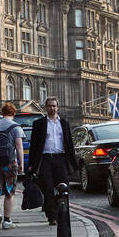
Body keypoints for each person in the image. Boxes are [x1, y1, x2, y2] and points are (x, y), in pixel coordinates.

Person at [28, 96, 80, 226]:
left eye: (54, 106)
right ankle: (52, 216)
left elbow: (69, 144)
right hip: (46, 159)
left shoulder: (64, 123)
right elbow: (34, 145)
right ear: (46, 107)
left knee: (63, 186)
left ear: (58, 107)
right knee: (48, 188)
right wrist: (31, 164)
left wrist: (74, 163)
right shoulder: (39, 123)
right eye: (49, 106)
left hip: (60, 158)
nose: (52, 108)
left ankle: (61, 211)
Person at [0, 102, 25, 233]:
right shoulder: (16, 127)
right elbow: (19, 146)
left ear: (2, 113)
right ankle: (7, 221)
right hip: (10, 163)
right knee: (9, 192)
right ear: (13, 113)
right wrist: (21, 163)